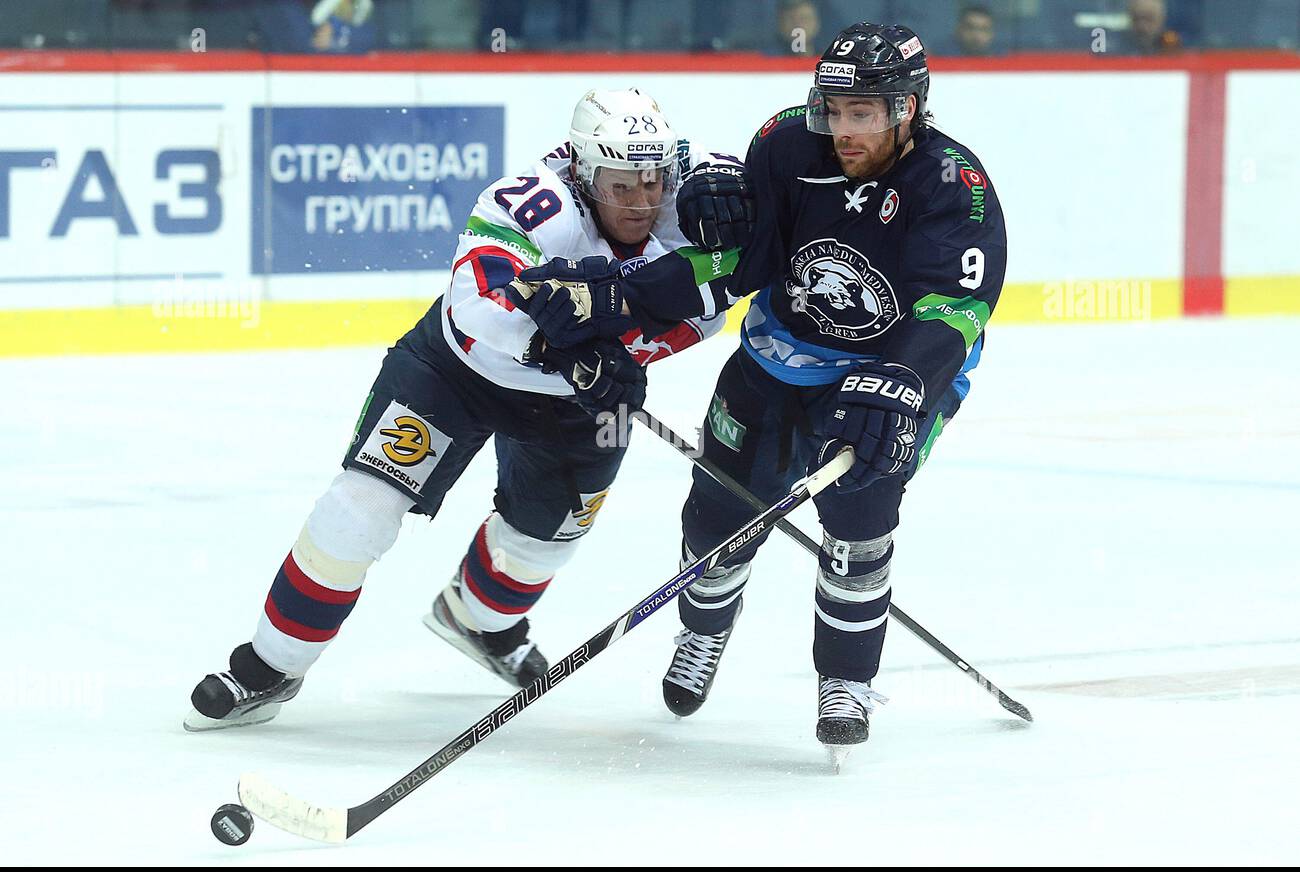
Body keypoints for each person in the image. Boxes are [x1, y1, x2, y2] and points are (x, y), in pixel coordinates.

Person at [184, 88, 753, 731]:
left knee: (541, 544)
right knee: (358, 511)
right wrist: (569, 353)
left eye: (653, 184)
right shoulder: (530, 203)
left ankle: (479, 623)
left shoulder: (695, 195)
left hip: (579, 407)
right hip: (457, 374)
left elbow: (712, 306)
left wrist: (631, 352)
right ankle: (267, 667)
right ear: (584, 172)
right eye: (621, 186)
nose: (641, 203)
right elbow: (475, 304)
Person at [519, 23, 1007, 755]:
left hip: (896, 375)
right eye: (833, 110)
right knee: (717, 515)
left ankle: (844, 679)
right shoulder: (788, 143)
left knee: (859, 522)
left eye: (861, 115)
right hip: (779, 357)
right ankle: (702, 630)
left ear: (908, 108)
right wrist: (615, 300)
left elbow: (956, 309)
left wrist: (902, 379)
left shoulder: (953, 187)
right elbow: (737, 262)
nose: (841, 130)